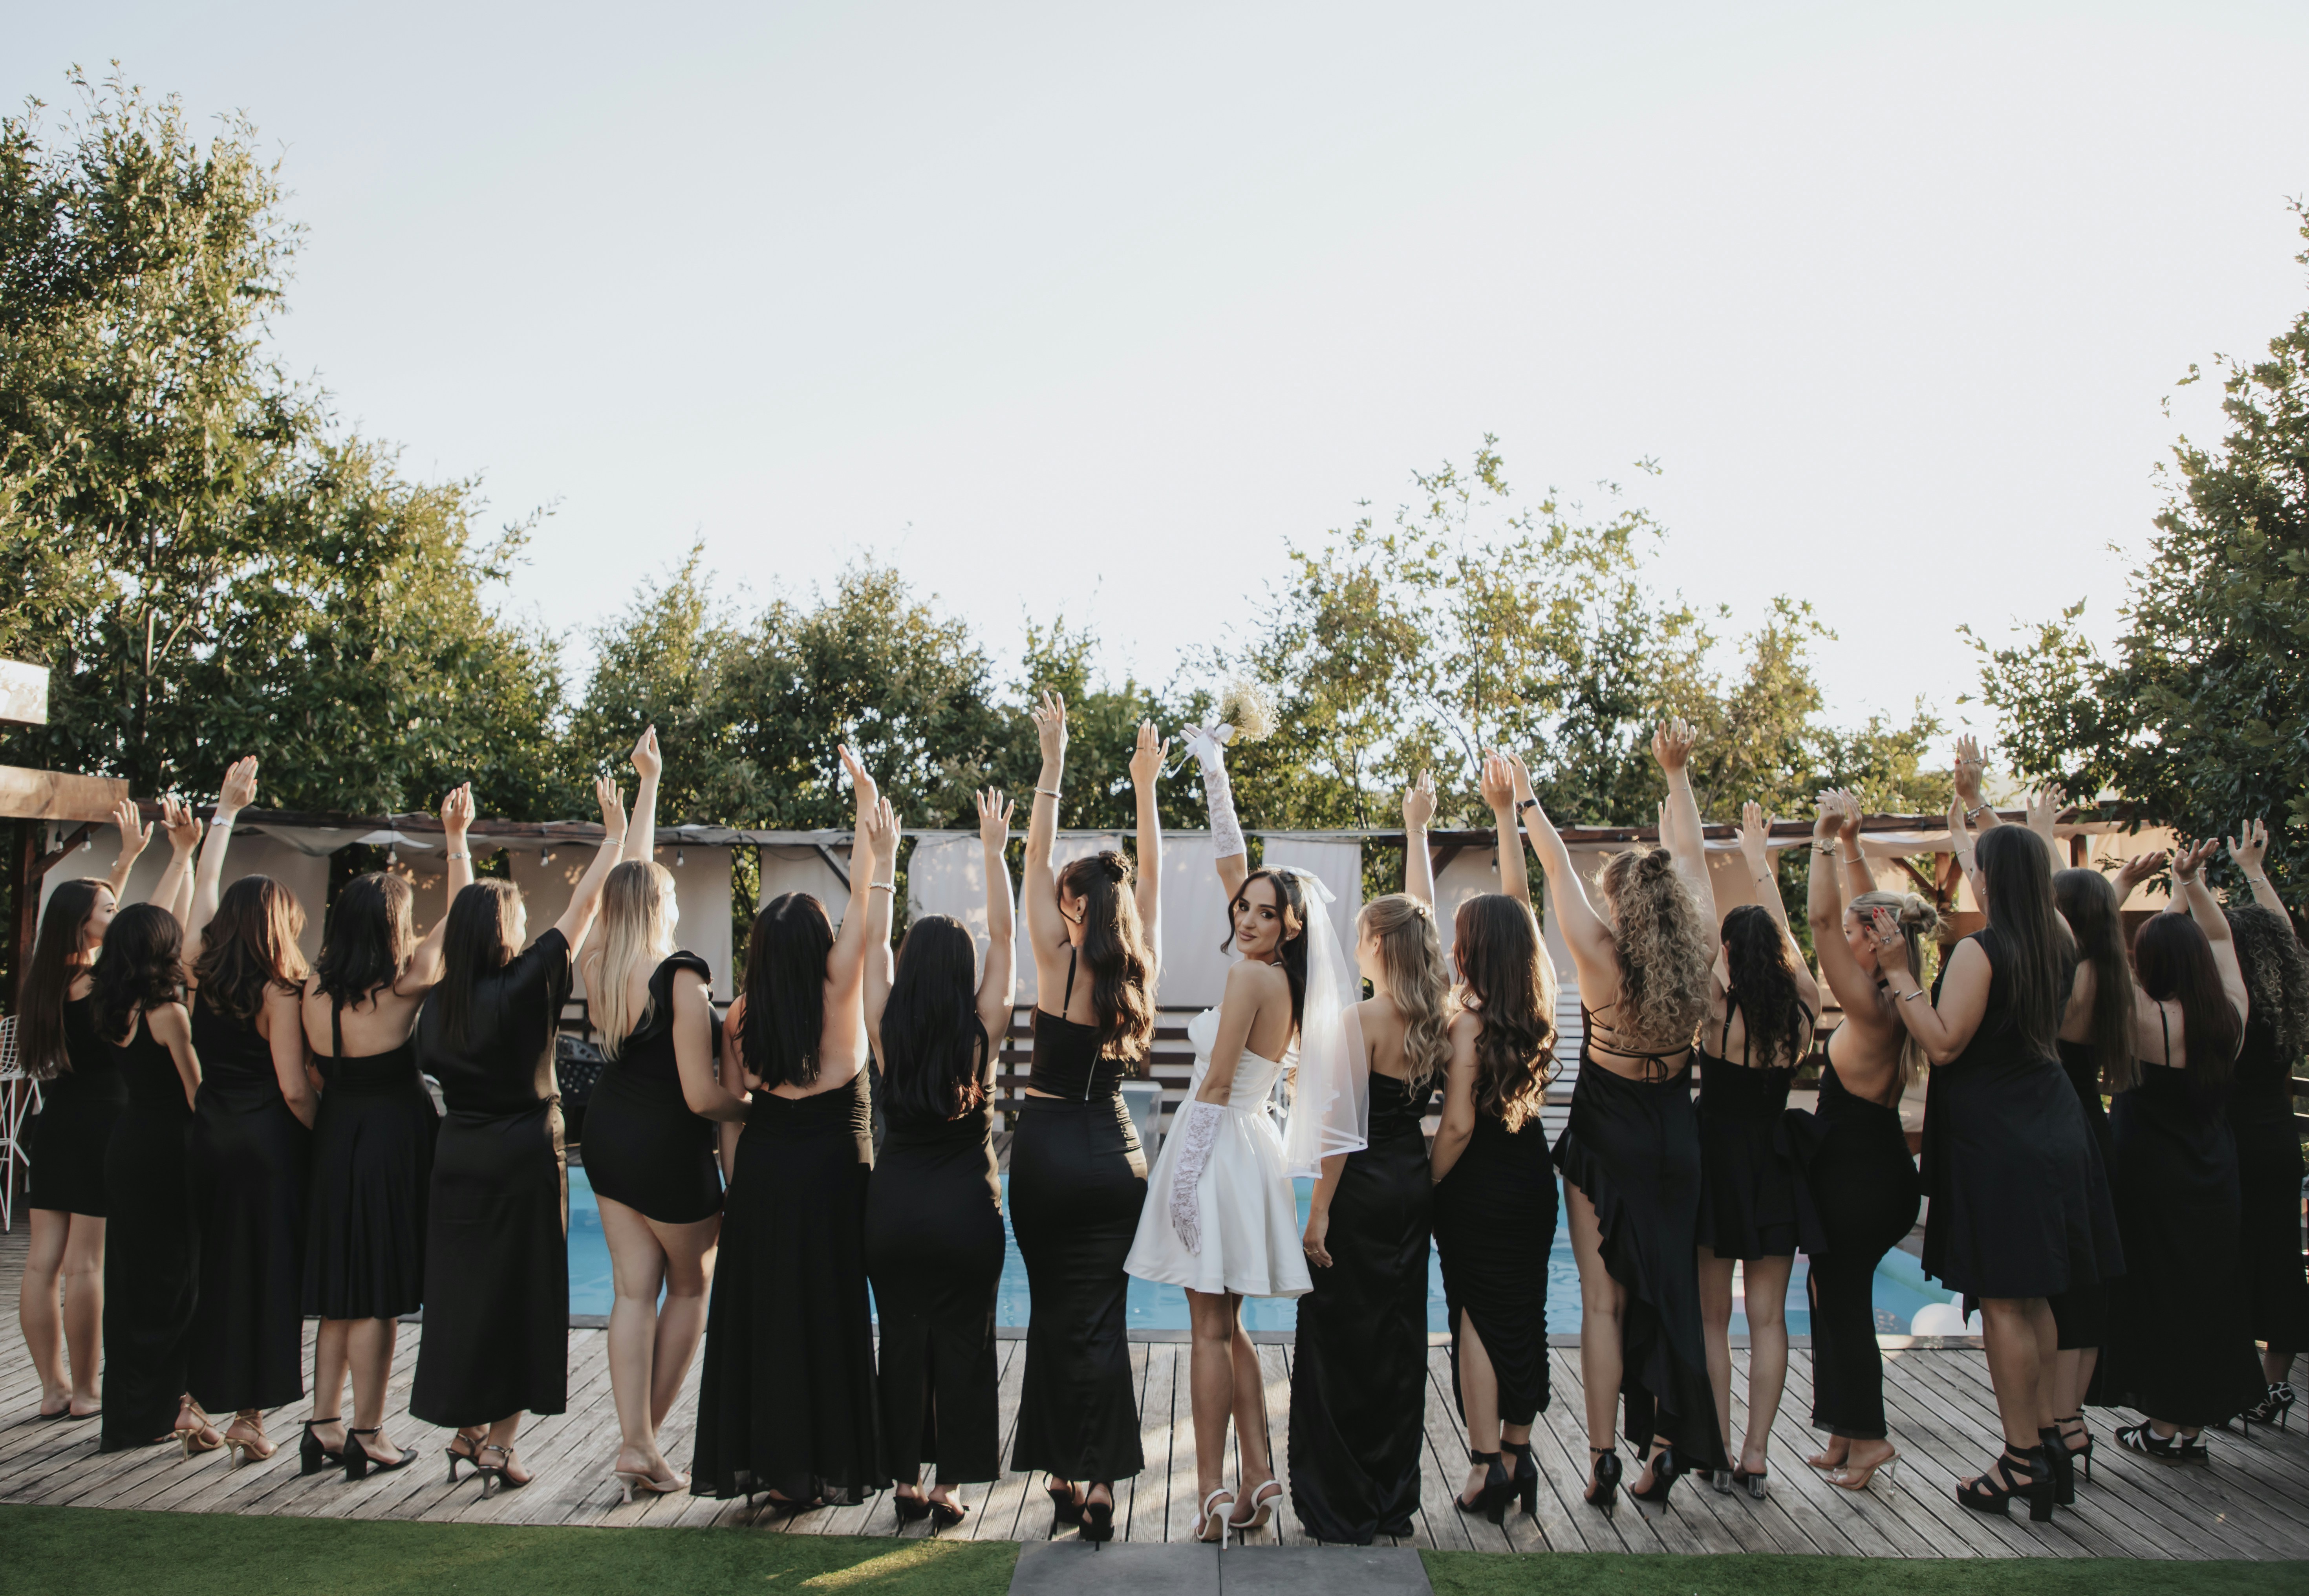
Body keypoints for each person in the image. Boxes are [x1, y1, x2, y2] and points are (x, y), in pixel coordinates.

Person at [1125, 721, 1364, 1545]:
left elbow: (1217, 1085)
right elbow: (1239, 862)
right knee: (1235, 1329)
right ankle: (1259, 1473)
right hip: (1255, 1150)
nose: (1249, 913)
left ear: (1289, 923)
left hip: (1218, 1141)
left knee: (1205, 1329)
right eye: (1245, 907)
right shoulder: (1288, 984)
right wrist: (1214, 773)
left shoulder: (1244, 974)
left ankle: (1207, 1493)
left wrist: (1179, 1180)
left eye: (1266, 910)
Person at [1872, 820, 2121, 1523]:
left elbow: (1945, 1045)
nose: (1972, 875)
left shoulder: (1984, 952)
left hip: (2002, 1138)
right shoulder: (2061, 943)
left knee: (2008, 1302)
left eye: (1978, 865)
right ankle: (2046, 1441)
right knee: (2038, 1296)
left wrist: (1899, 973)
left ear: (1995, 878)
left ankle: (2019, 1461)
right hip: (2054, 1122)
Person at [1520, 723, 1727, 1519]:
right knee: (1671, 1288)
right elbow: (1695, 858)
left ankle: (1603, 1456)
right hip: (1675, 1136)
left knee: (1602, 1302)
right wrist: (1676, 777)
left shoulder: (1599, 957)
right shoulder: (1700, 954)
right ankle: (1669, 1441)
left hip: (1606, 1136)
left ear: (1625, 906)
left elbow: (1556, 866)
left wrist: (1527, 796)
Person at [408, 772, 628, 1493]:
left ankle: (469, 1430)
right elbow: (586, 902)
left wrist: (458, 843)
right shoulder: (530, 980)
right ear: (505, 932)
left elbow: (466, 914)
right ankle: (498, 1444)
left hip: (459, 1157)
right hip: (525, 1155)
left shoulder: (439, 1005)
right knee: (524, 1294)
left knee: (468, 1295)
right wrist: (615, 834)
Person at [689, 749, 894, 1509]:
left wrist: (740, 1183)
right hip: (834, 1170)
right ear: (815, 946)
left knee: (764, 1322)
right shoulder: (838, 985)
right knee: (828, 1314)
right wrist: (868, 811)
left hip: (766, 1172)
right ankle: (823, 1467)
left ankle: (770, 1470)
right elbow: (868, 907)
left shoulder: (741, 1012)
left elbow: (736, 1100)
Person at [575, 730, 751, 1502]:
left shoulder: (603, 964)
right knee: (689, 1287)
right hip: (666, 1149)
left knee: (629, 1291)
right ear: (658, 907)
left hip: (607, 1142)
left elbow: (629, 880)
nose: (676, 898)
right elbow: (699, 1096)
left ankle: (635, 1443)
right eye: (670, 895)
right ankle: (644, 1438)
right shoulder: (683, 976)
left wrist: (649, 786)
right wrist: (751, 1104)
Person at [1008, 698, 1165, 1543]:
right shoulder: (1140, 966)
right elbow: (1150, 878)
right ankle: (1100, 1482)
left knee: (1050, 1312)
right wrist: (1145, 790)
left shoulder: (1052, 959)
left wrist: (1054, 763)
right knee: (1101, 1317)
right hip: (1113, 1155)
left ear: (1074, 906)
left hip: (1043, 1151)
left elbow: (1033, 854)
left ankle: (1063, 1472)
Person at [1288, 779, 1455, 1546]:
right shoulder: (1435, 1021)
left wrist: (1317, 1214)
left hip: (1357, 1191)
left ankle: (1343, 1500)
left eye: (1362, 934)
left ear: (1379, 946)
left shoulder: (1359, 1020)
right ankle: (1391, 1496)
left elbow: (1336, 1132)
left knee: (1340, 1339)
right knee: (1395, 1339)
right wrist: (1414, 831)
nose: (1354, 944)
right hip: (1410, 1186)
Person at [294, 782, 474, 1481]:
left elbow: (300, 1081)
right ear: (391, 928)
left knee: (341, 1291)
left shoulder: (312, 989)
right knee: (379, 1296)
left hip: (335, 1136)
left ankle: (322, 1424)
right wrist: (456, 838)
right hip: (394, 1137)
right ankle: (369, 1432)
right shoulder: (402, 986)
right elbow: (464, 920)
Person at [863, 787, 1016, 1529]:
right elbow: (1011, 947)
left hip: (892, 1212)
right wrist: (995, 854)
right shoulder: (980, 1035)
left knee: (901, 1340)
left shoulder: (887, 1030)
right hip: (965, 1213)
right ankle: (951, 1485)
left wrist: (887, 863)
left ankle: (902, 1479)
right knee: (963, 1344)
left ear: (909, 968)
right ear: (962, 975)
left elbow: (868, 947)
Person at [2097, 840, 2267, 1458]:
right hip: (2215, 1171)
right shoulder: (2230, 1016)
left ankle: (2165, 1428)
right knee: (2205, 1294)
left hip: (2148, 1176)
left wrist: (2117, 886)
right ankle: (2188, 1424)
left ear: (2152, 963)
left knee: (2159, 1295)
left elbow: (2092, 950)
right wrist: (2192, 885)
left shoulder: (2143, 1017)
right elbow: (2222, 942)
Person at [1425, 754, 1559, 1526]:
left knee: (1475, 1314)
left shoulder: (1468, 1021)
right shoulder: (1532, 1010)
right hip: (1530, 1180)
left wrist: (1429, 1177)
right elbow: (1522, 912)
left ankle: (1484, 1468)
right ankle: (1519, 1452)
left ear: (1477, 948)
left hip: (1477, 1185)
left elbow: (1459, 1123)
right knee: (1525, 1313)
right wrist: (1506, 814)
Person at [181, 758, 319, 1465]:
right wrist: (324, 1137)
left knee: (211, 1269)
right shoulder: (280, 991)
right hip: (266, 1146)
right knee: (265, 1276)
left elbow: (202, 892)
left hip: (207, 1136)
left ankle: (189, 1399)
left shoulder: (200, 971)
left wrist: (225, 815)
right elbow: (295, 1088)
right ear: (278, 925)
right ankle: (250, 1417)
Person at [1797, 791, 1926, 1493]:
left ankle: (1872, 1439)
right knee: (1828, 1294)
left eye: (1855, 933)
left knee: (1841, 1301)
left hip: (1860, 1181)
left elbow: (1820, 919)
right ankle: (1845, 1431)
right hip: (1867, 1172)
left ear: (1871, 941)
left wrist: (1820, 839)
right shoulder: (1894, 995)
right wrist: (1850, 846)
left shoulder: (1873, 1008)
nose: (1842, 941)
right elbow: (1849, 914)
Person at [1692, 800, 1821, 1501]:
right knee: (1768, 1319)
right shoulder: (1803, 1010)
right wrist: (1759, 865)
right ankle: (1757, 1455)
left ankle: (1713, 1447)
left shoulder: (1718, 1016)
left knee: (1715, 1318)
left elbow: (1711, 949)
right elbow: (1793, 954)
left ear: (1733, 958)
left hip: (1718, 1167)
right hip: (1774, 1170)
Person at [15, 798, 152, 1421]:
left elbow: (96, 912)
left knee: (43, 1262)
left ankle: (52, 1388)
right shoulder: (100, 983)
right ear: (85, 925)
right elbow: (123, 929)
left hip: (56, 1123)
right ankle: (88, 1393)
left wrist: (124, 862)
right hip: (103, 1123)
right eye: (108, 910)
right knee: (86, 1262)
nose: (115, 913)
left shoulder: (45, 980)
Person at [2044, 854, 2148, 1492]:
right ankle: (2072, 1419)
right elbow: (2089, 915)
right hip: (2096, 1127)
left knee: (2063, 1285)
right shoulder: (2113, 975)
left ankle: (2054, 1424)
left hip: (2062, 1129)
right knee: (2090, 1280)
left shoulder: (2066, 981)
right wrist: (2123, 888)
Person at [92, 887, 209, 1455]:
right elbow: (197, 1097)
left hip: (127, 1145)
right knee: (175, 1281)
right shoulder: (169, 1013)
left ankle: (127, 1415)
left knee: (131, 1281)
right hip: (169, 1151)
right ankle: (167, 1408)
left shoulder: (111, 1008)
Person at [2222, 819, 2309, 1428]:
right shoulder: (2287, 1009)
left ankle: (2228, 1382)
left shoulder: (2231, 1009)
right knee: (2281, 1258)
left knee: (2227, 1261)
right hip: (2280, 1143)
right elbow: (2289, 942)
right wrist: (2255, 873)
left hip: (2231, 1148)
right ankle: (2274, 1386)